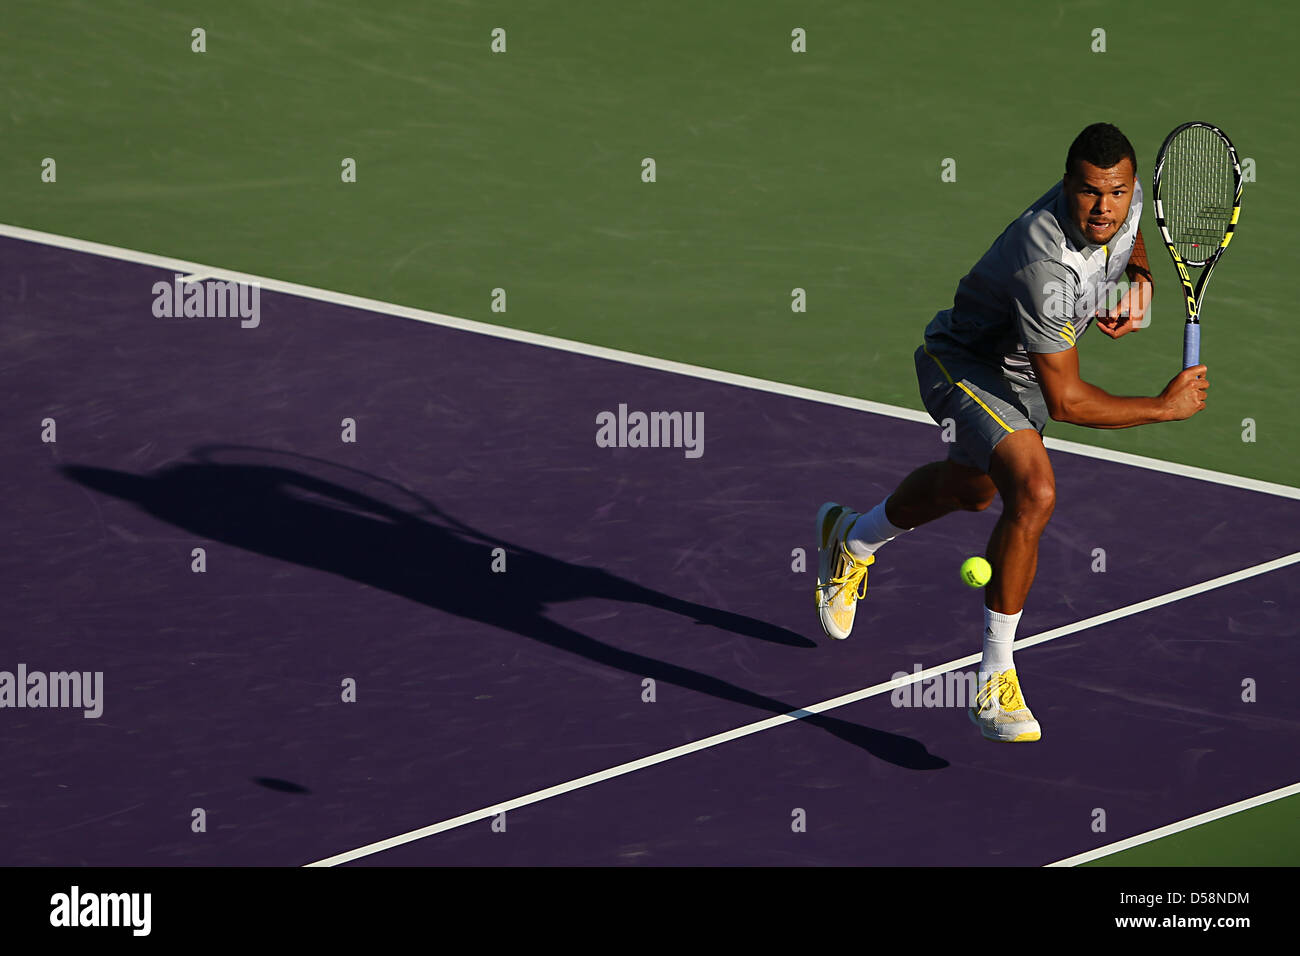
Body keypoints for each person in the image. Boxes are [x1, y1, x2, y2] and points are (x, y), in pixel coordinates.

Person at [815, 122, 1209, 742]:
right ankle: (994, 682)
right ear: (1066, 185)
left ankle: (852, 539)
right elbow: (1069, 400)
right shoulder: (1043, 265)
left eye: (1118, 192)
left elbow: (1130, 240)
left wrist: (1139, 281)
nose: (1104, 208)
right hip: (966, 363)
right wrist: (1164, 406)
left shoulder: (1122, 208)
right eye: (1088, 193)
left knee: (972, 491)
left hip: (1026, 372)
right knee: (1035, 491)